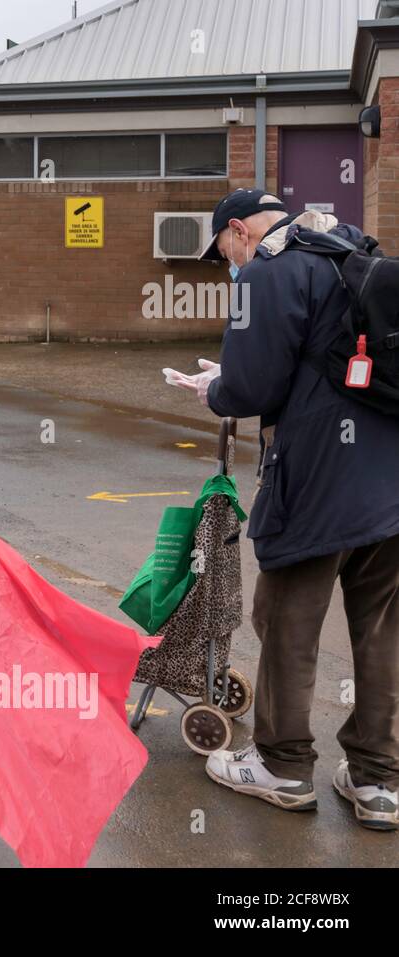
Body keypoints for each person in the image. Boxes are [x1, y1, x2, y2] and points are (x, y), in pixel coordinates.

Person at [167, 188, 399, 830]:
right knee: (380, 629)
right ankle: (378, 780)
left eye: (224, 254)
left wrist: (217, 386)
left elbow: (253, 387)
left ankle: (283, 765)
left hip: (317, 480)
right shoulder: (353, 247)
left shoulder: (270, 271)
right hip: (390, 481)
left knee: (286, 617)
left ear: (239, 231)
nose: (230, 267)